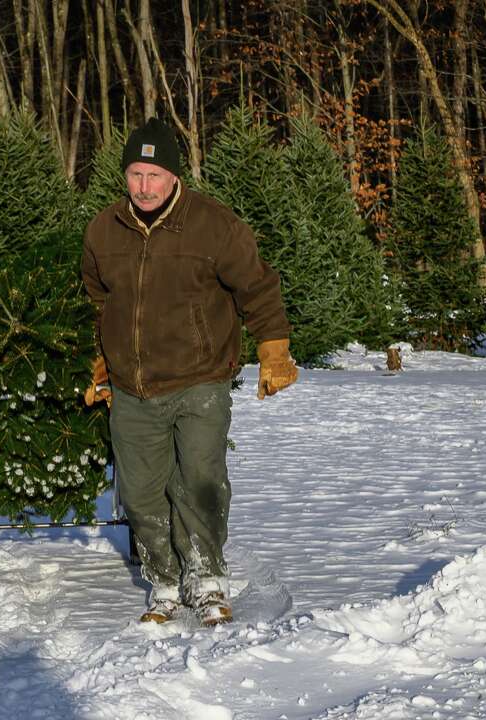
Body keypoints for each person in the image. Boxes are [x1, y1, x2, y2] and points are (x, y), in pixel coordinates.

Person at [81, 118, 298, 626]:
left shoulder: (213, 225)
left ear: (174, 177)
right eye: (136, 174)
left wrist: (274, 351)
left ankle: (206, 579)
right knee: (139, 491)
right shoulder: (103, 230)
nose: (145, 187)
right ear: (125, 177)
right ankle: (163, 581)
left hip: (200, 377)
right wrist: (98, 358)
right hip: (132, 386)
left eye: (155, 175)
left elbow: (258, 288)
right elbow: (95, 300)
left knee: (199, 479)